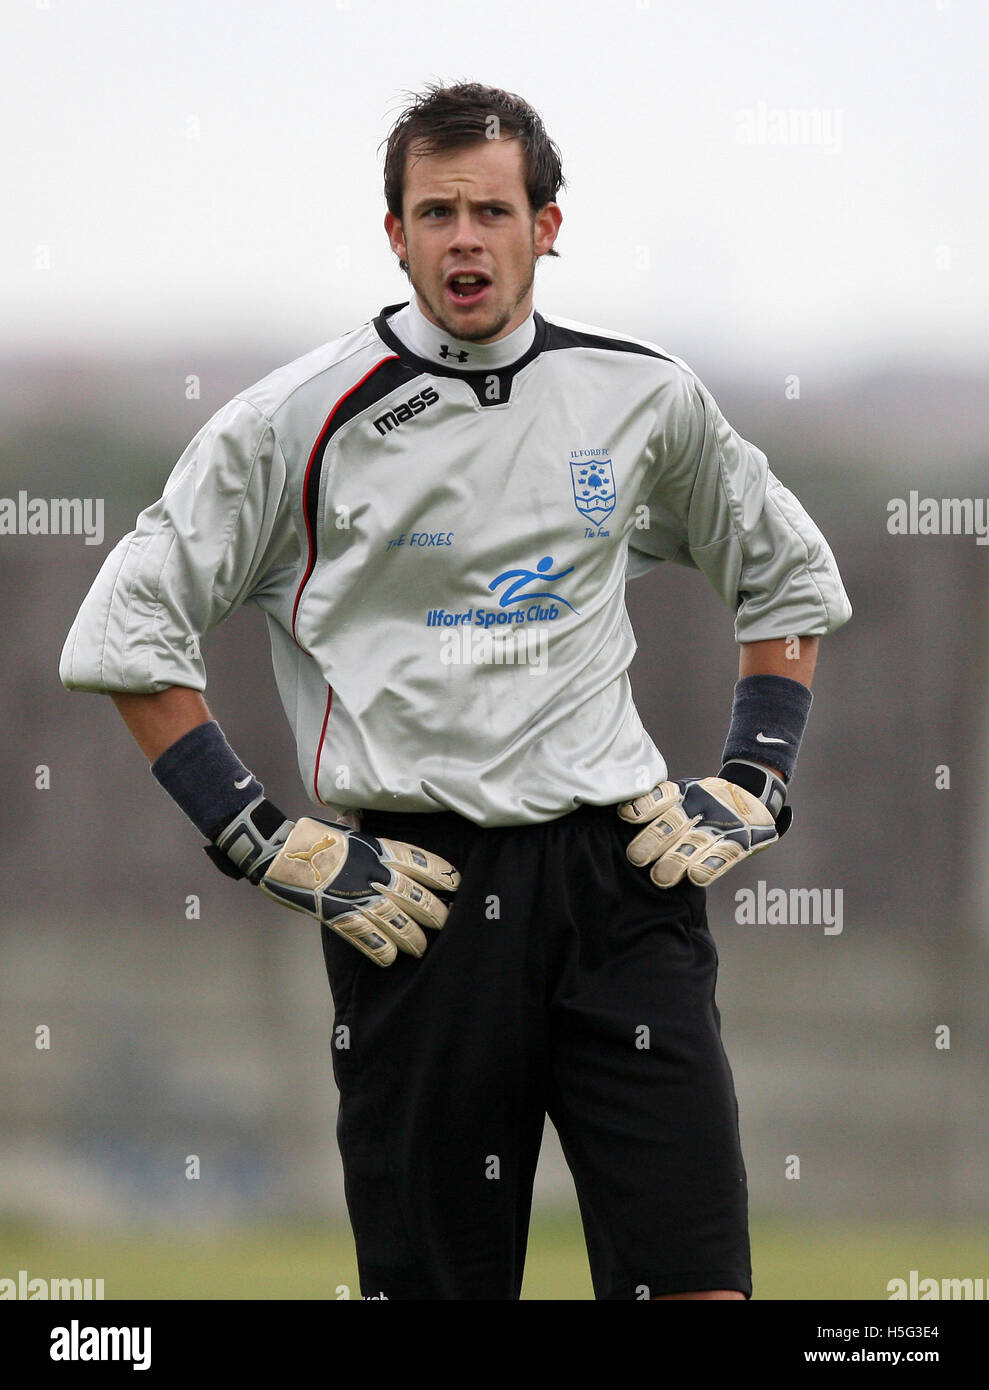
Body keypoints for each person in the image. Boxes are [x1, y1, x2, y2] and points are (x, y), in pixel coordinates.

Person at [59, 80, 852, 1301]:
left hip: (622, 886)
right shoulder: (295, 420)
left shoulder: (641, 395)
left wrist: (757, 775)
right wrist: (257, 837)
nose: (463, 239)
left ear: (546, 223)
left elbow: (786, 580)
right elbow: (126, 631)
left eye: (490, 210)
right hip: (418, 901)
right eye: (435, 213)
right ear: (395, 234)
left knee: (697, 1285)